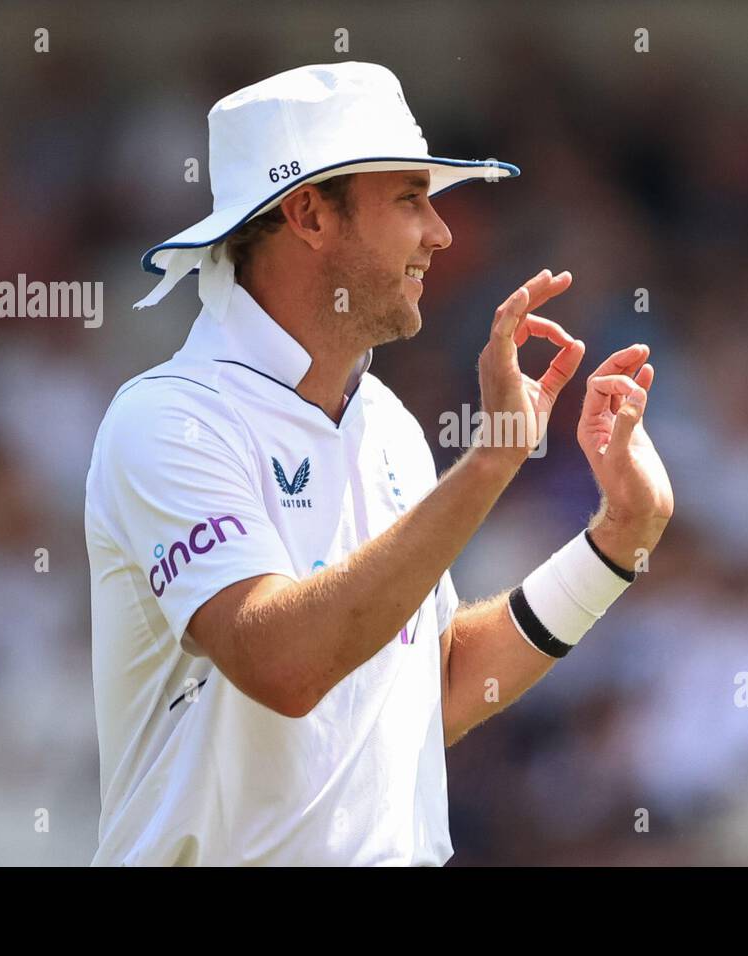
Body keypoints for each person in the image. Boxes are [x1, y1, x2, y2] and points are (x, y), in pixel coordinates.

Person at [85, 61, 673, 865]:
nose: (441, 232)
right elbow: (284, 665)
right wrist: (490, 464)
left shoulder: (388, 424)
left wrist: (617, 542)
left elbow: (435, 687)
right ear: (308, 215)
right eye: (408, 199)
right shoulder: (169, 421)